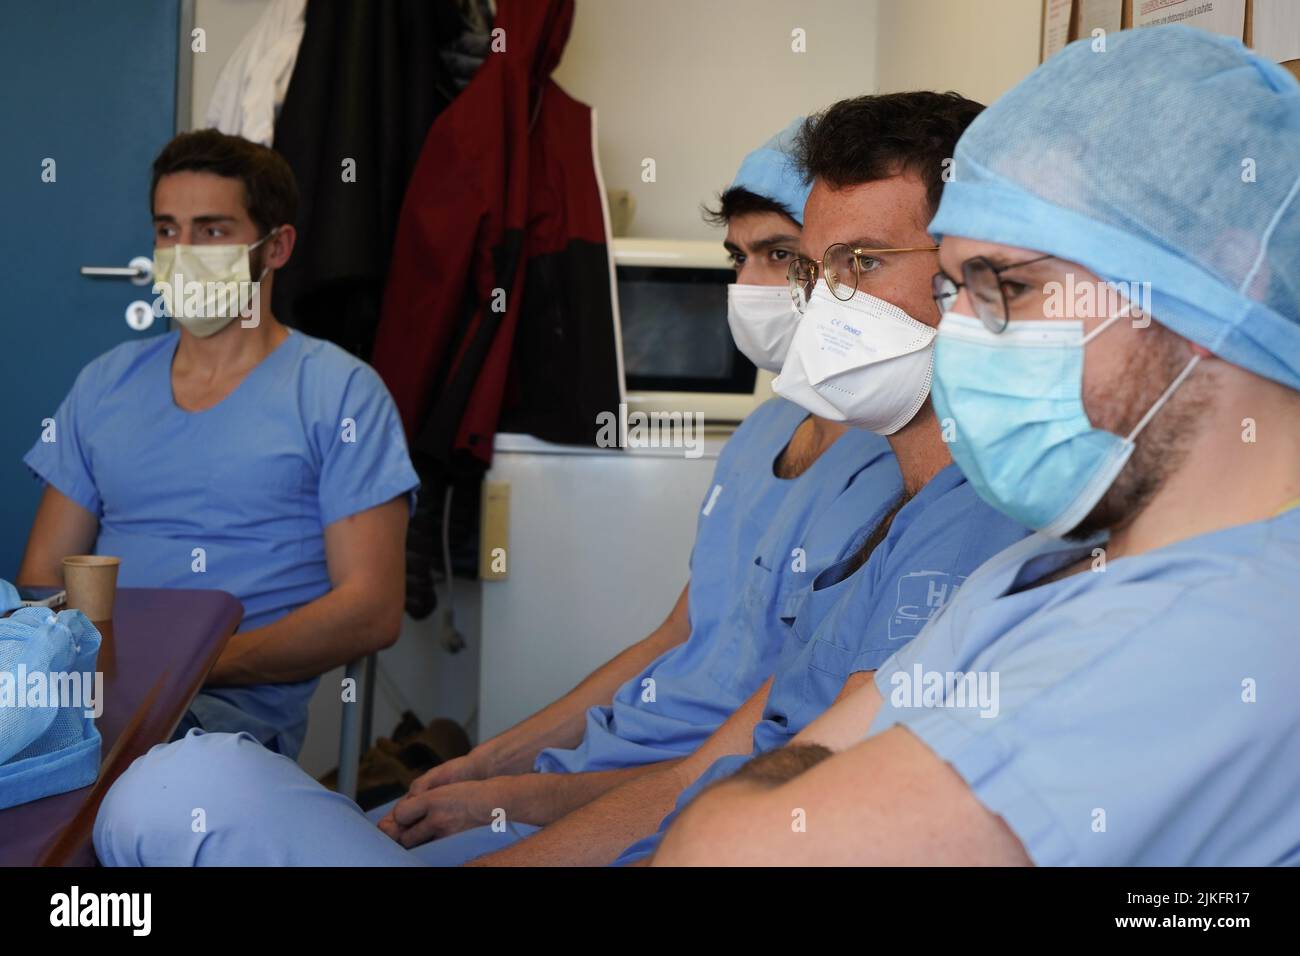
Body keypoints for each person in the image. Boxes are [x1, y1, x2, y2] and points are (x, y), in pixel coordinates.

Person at [92, 122, 907, 866]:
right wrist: (492, 760)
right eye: (738, 259)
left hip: (646, 808)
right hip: (590, 768)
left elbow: (737, 761)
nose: (754, 289)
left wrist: (520, 796)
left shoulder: (893, 478)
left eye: (784, 257)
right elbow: (677, 632)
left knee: (185, 790)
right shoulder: (761, 436)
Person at [652, 25, 1300, 867]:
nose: (964, 336)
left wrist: (791, 785)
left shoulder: (1229, 629)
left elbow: (724, 850)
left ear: (1225, 281)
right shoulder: (1035, 566)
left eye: (1014, 286)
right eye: (957, 289)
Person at [18, 130, 419, 758]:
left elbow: (371, 608)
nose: (182, 252)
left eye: (210, 231)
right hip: (91, 692)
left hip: (219, 714)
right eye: (167, 230)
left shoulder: (340, 394)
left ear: (277, 246)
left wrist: (187, 663)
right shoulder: (106, 384)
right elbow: (42, 575)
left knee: (111, 776)